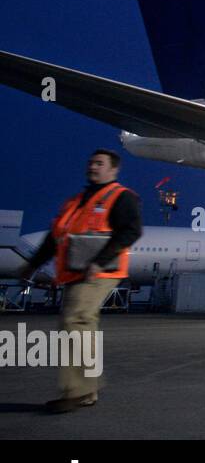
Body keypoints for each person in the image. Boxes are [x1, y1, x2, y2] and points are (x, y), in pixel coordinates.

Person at [18, 149, 142, 414]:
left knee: (75, 321)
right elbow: (55, 237)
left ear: (113, 170)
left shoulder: (121, 196)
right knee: (82, 325)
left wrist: (100, 260)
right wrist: (32, 264)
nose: (93, 167)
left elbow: (131, 230)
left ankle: (76, 391)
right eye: (91, 162)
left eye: (100, 163)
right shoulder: (75, 201)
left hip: (100, 272)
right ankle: (87, 391)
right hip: (76, 272)